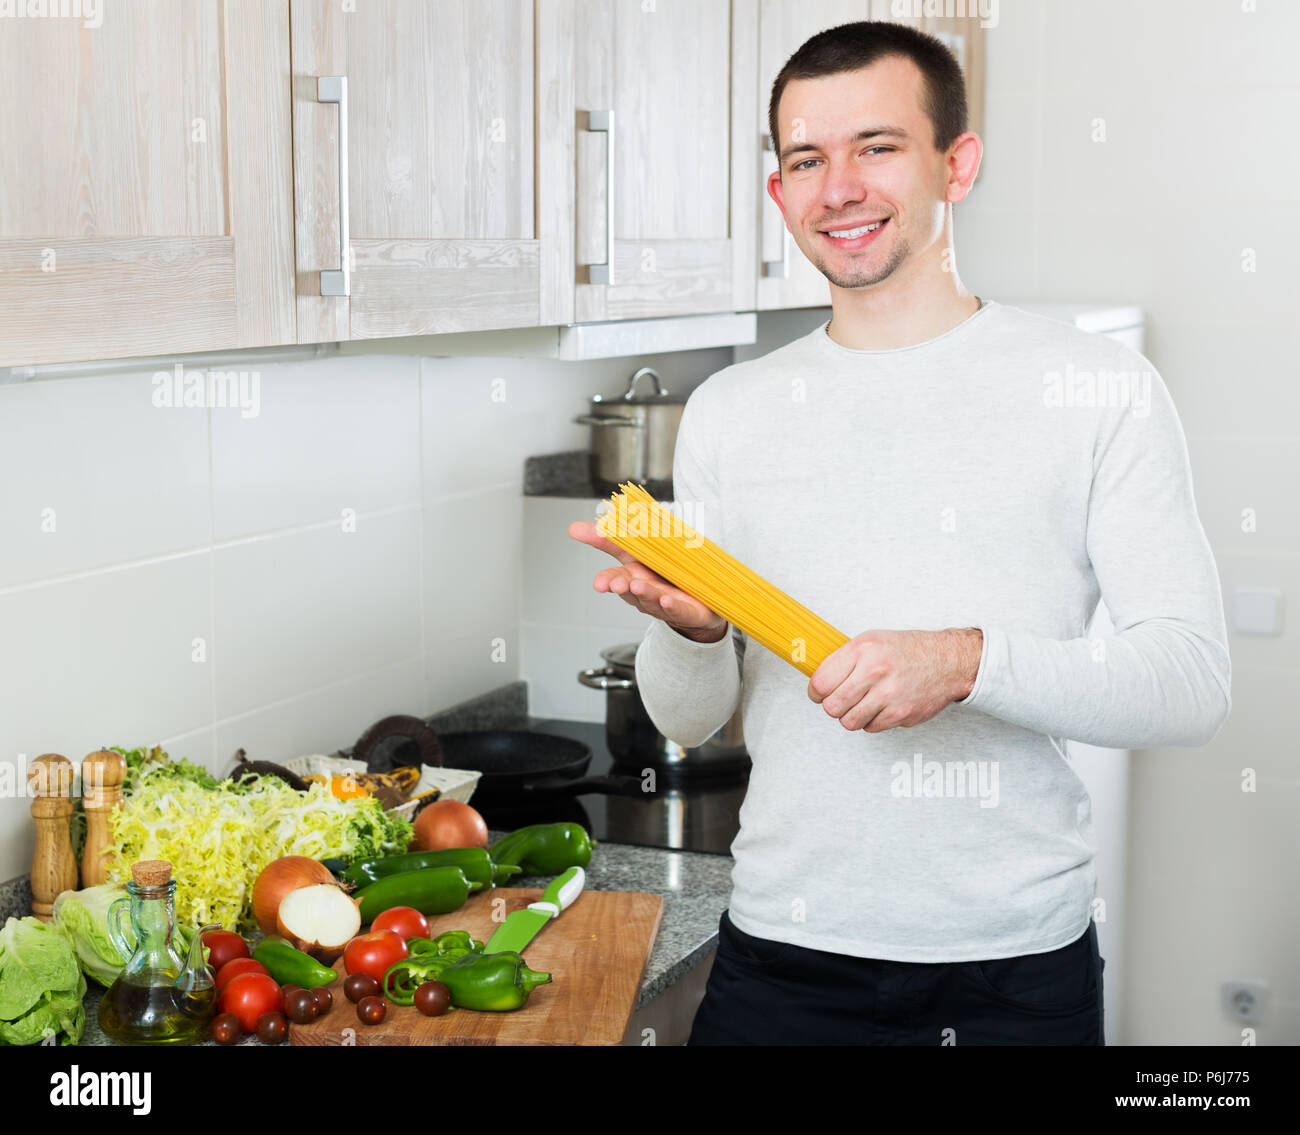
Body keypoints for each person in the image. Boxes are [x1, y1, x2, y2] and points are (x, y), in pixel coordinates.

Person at [568, 21, 1230, 1045]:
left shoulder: (1097, 388)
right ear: (779, 191)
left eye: (875, 147)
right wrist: (693, 634)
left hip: (1012, 971)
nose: (838, 187)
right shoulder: (731, 411)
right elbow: (689, 723)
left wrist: (969, 662)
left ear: (955, 164)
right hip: (782, 956)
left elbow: (1188, 680)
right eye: (805, 159)